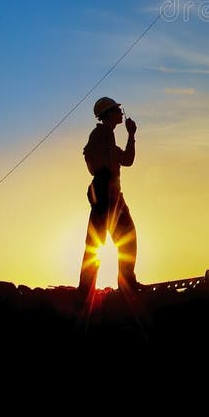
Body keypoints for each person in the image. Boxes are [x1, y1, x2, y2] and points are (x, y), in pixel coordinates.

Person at [78, 96, 141, 297]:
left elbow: (128, 160)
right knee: (100, 242)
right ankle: (88, 290)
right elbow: (98, 163)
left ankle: (125, 284)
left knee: (122, 239)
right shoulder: (101, 133)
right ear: (108, 115)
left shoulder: (108, 139)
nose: (121, 113)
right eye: (116, 110)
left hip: (112, 194)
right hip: (105, 192)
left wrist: (131, 135)